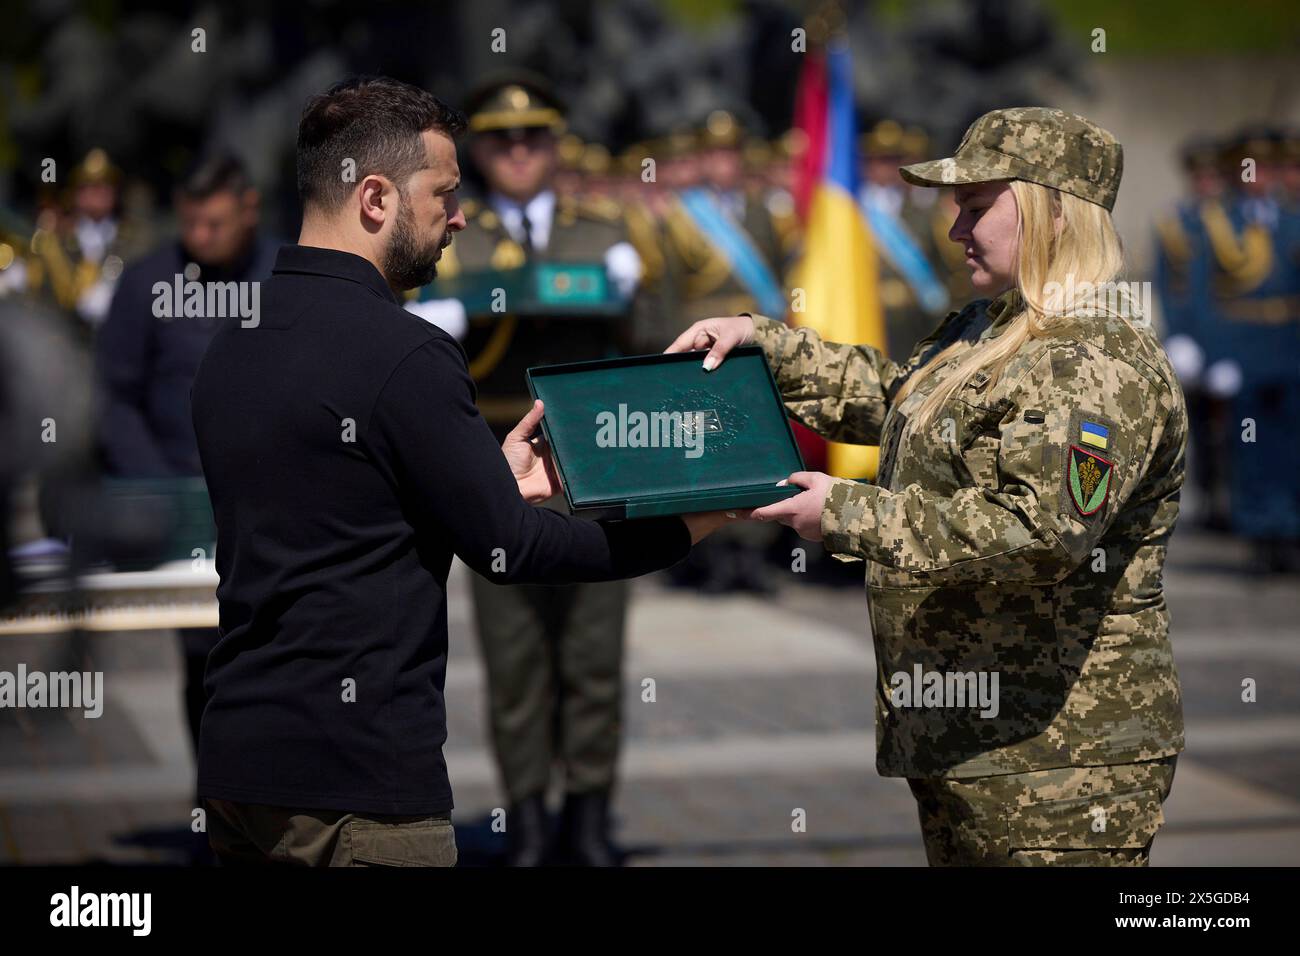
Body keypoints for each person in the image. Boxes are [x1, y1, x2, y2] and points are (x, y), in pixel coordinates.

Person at [190, 75, 730, 867]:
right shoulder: (407, 352)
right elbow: (513, 550)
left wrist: (478, 477)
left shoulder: (231, 341)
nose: (460, 213)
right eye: (442, 192)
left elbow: (340, 504)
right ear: (375, 198)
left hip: (240, 761)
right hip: (360, 784)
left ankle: (579, 817)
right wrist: (678, 532)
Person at [669, 108, 1188, 866]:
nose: (955, 231)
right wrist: (766, 346)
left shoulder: (1090, 358)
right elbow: (902, 403)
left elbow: (1039, 533)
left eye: (977, 209)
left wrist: (845, 512)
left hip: (1064, 756)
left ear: (1048, 212)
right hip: (973, 733)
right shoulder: (990, 327)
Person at [415, 72, 648, 867]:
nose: (519, 153)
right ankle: (528, 817)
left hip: (598, 462)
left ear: (554, 145)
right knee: (512, 652)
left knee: (593, 650)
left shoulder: (603, 232)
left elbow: (654, 336)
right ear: (480, 149)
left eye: (534, 138)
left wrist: (633, 287)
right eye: (503, 140)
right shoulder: (457, 237)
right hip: (496, 467)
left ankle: (588, 813)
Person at [96, 152, 277, 798]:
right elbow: (114, 397)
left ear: (249, 209)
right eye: (191, 223)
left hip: (279, 508)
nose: (201, 237)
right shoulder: (148, 283)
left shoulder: (288, 276)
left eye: (216, 223)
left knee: (280, 662)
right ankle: (219, 805)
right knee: (208, 664)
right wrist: (157, 488)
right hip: (186, 511)